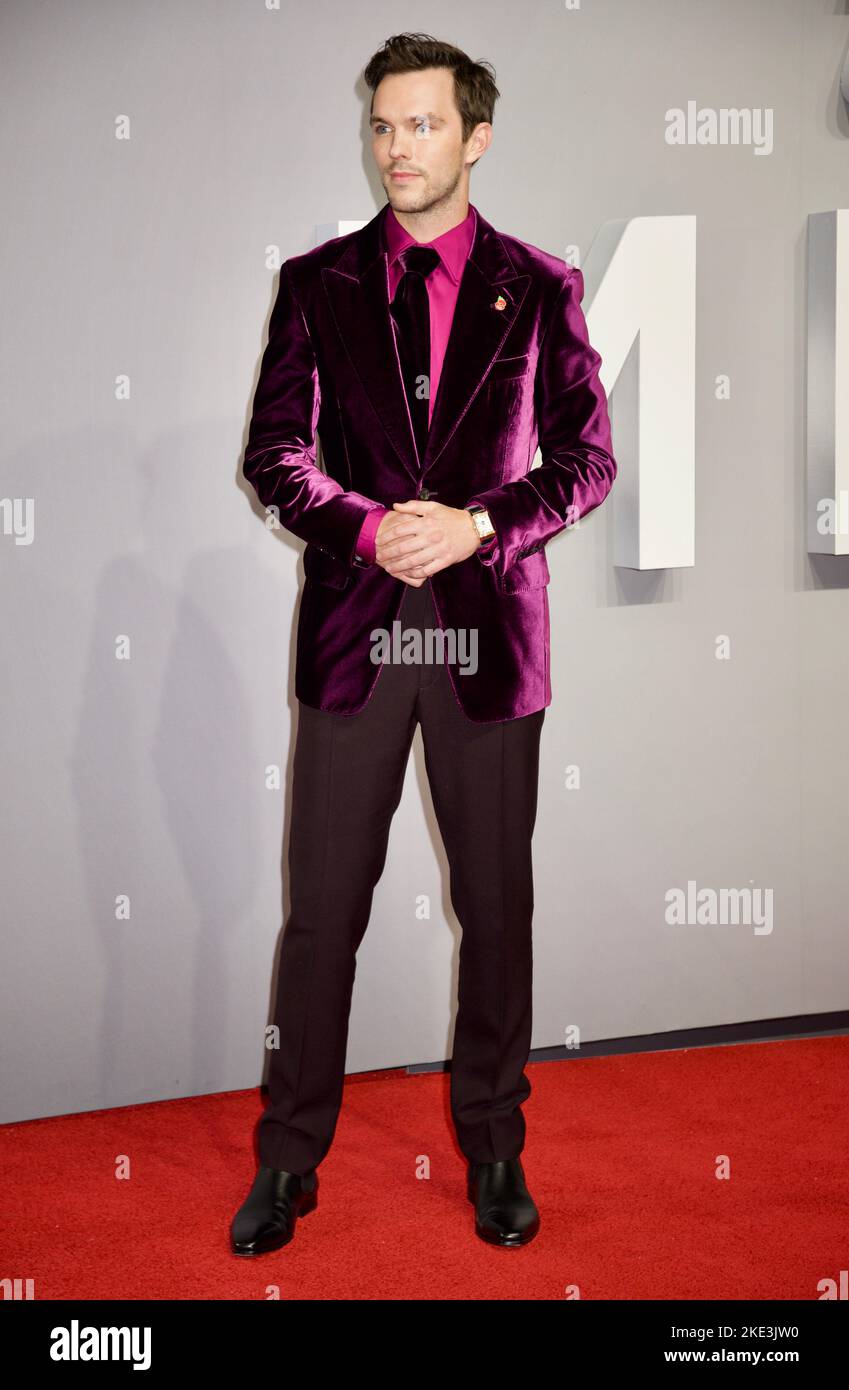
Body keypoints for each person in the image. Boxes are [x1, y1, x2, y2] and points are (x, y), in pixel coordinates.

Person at [230, 31, 616, 1256]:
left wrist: (478, 526)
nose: (398, 147)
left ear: (477, 137)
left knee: (497, 908)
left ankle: (495, 1145)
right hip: (355, 632)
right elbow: (274, 456)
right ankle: (288, 1160)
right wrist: (368, 525)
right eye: (383, 126)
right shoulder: (316, 284)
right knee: (320, 913)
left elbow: (585, 461)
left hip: (489, 639)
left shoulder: (545, 287)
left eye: (424, 125)